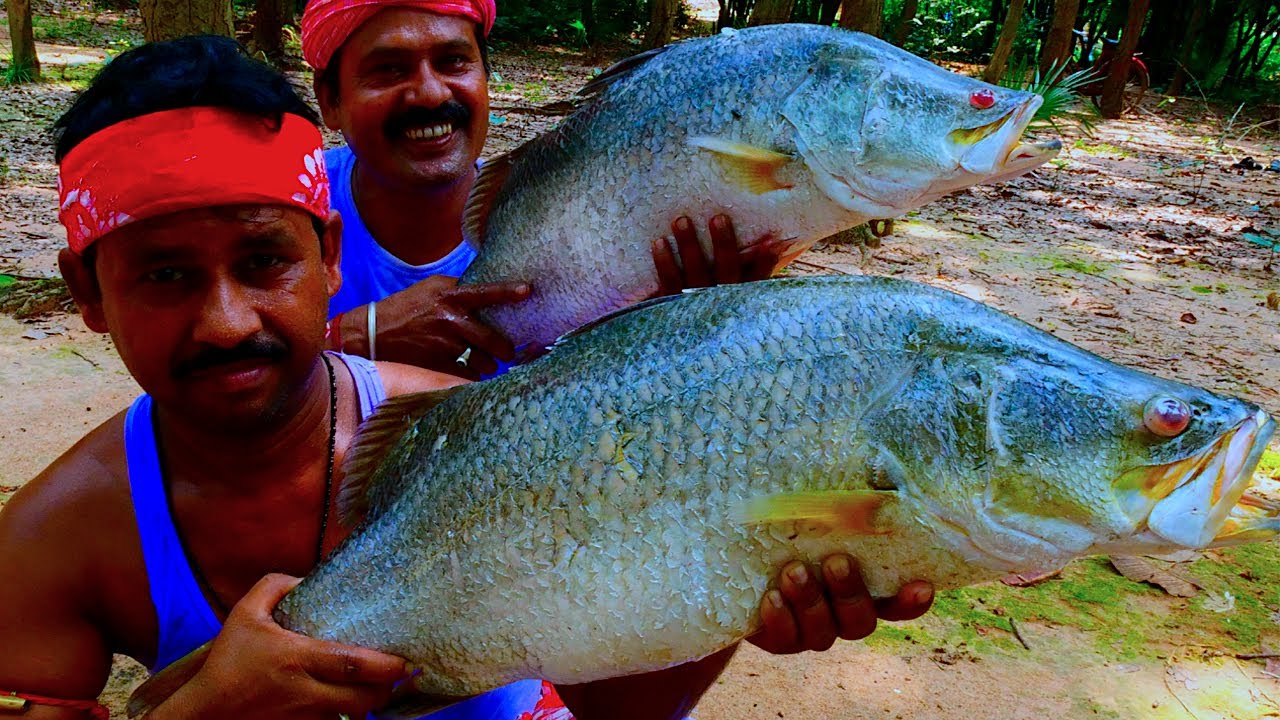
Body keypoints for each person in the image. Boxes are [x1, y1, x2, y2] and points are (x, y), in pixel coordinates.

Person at [0, 36, 931, 720]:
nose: (227, 320)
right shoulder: (52, 542)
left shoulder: (480, 435)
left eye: (263, 262)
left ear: (329, 258)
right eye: (164, 275)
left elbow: (613, 711)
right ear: (86, 291)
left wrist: (732, 609)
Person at [302, 0, 793, 379]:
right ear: (330, 101)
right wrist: (350, 336)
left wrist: (686, 329)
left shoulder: (601, 221)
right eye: (389, 69)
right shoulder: (287, 208)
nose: (431, 93)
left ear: (484, 80)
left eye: (453, 61)